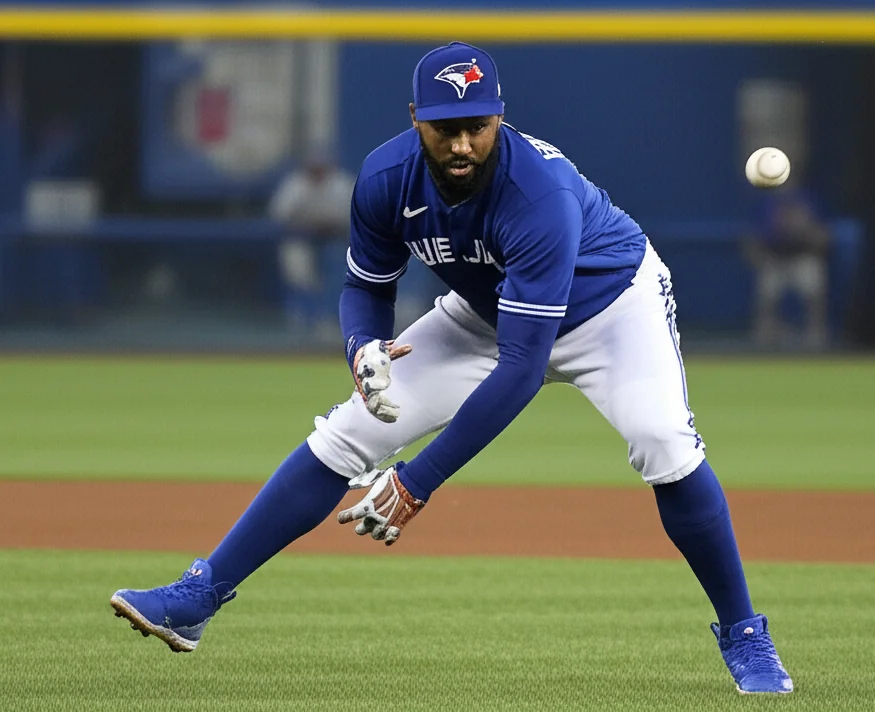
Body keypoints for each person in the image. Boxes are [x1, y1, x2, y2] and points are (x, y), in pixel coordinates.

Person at [110, 42, 793, 695]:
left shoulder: (538, 193)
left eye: (476, 125)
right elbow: (367, 287)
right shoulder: (384, 178)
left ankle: (744, 633)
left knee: (662, 442)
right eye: (445, 129)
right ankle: (200, 596)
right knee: (350, 434)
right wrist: (364, 348)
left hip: (611, 310)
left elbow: (523, 370)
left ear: (500, 117)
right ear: (416, 123)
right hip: (486, 313)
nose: (462, 143)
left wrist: (415, 483)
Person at [269, 149, 356, 339]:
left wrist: (330, 225)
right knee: (299, 273)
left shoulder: (341, 183)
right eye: (314, 167)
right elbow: (279, 217)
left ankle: (329, 321)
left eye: (321, 166)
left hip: (336, 240)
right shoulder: (295, 184)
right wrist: (309, 224)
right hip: (301, 239)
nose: (318, 171)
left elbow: (356, 216)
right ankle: (299, 320)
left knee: (339, 270)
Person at [743, 182, 830, 349]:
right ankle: (766, 337)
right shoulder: (764, 204)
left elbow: (824, 239)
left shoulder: (810, 200)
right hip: (774, 260)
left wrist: (805, 231)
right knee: (767, 287)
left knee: (812, 276)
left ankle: (816, 337)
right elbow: (750, 242)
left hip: (802, 258)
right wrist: (760, 256)